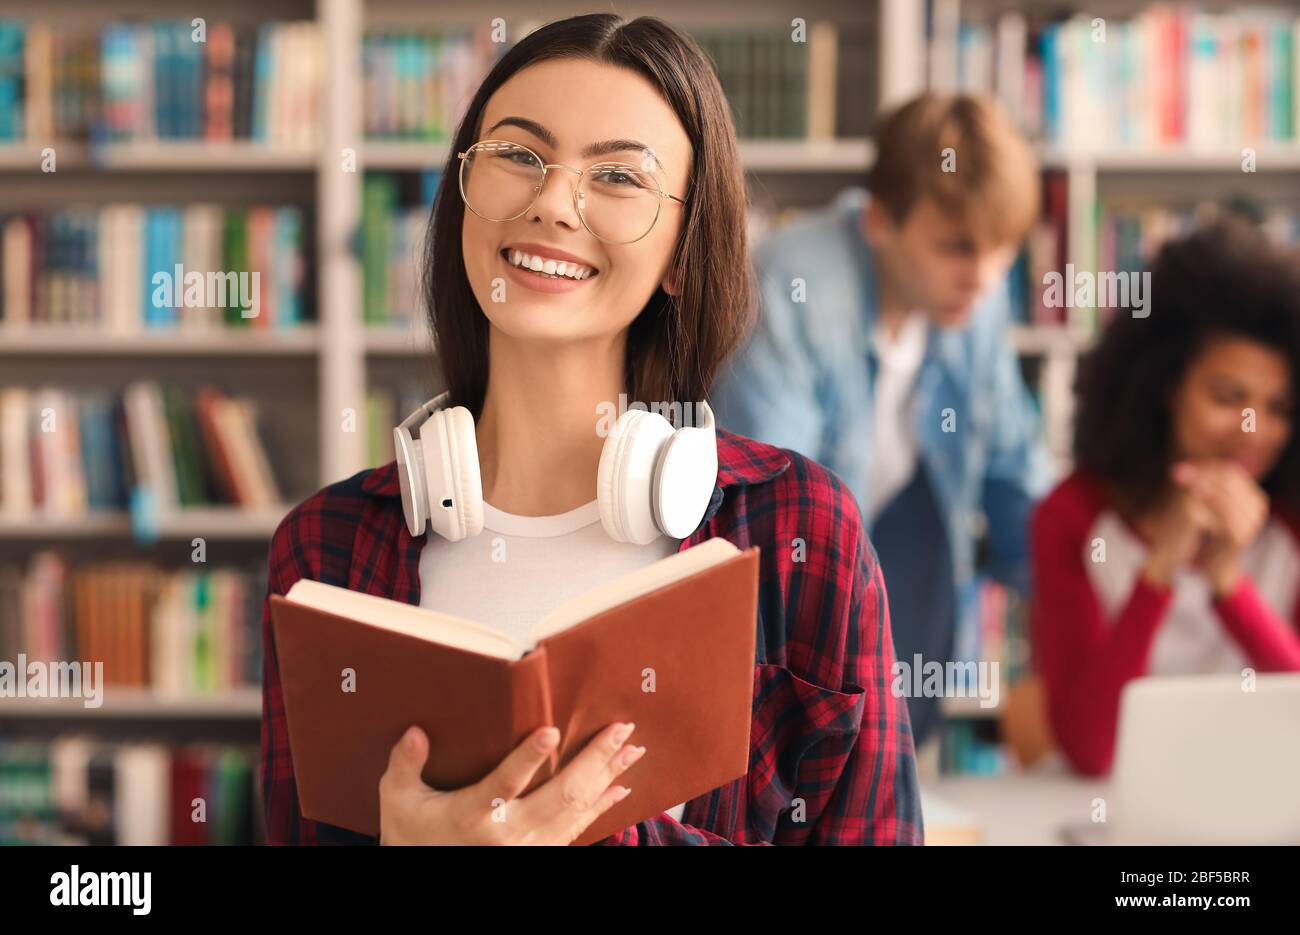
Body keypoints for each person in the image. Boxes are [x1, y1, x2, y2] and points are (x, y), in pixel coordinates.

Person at [259, 14, 922, 845]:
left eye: (617, 176)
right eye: (517, 155)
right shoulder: (324, 552)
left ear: (683, 252)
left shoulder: (799, 528)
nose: (551, 204)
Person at [710, 93, 1051, 745]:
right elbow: (776, 530)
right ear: (878, 222)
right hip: (785, 633)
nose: (981, 277)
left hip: (900, 597)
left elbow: (1017, 484)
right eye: (956, 247)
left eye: (1001, 249)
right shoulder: (789, 289)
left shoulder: (972, 304)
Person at [1031, 217, 1300, 777]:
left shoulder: (1291, 524)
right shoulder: (1074, 517)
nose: (1254, 430)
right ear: (1163, 385)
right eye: (1228, 397)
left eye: (1279, 409)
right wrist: (1159, 571)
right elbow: (1090, 749)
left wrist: (1229, 582)